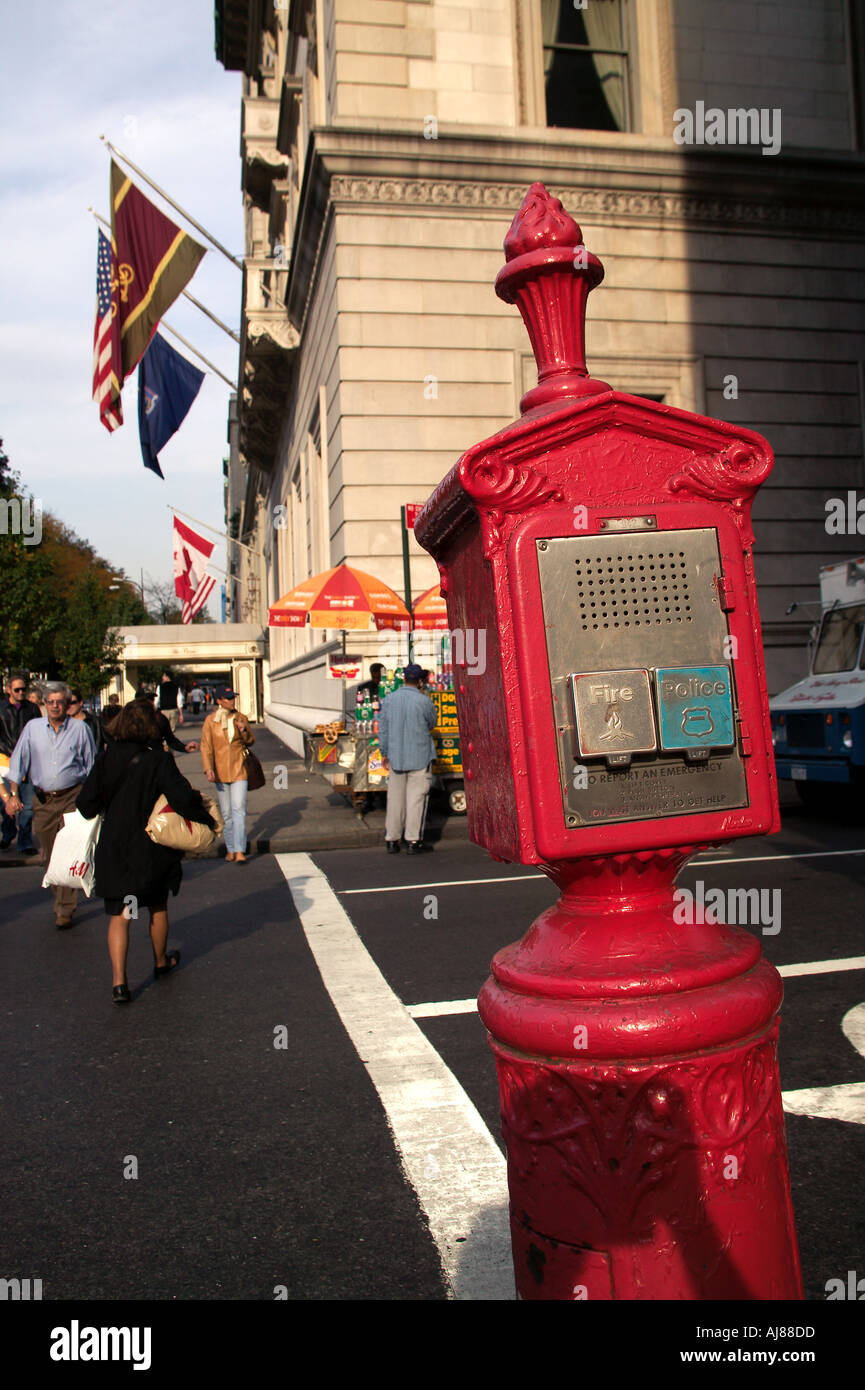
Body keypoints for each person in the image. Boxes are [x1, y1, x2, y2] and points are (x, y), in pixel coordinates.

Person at [77, 699, 217, 1004]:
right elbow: (182, 797)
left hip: (115, 847)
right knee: (157, 905)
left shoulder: (106, 758)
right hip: (151, 846)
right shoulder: (158, 760)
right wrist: (206, 820)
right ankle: (160, 961)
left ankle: (119, 983)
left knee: (121, 914)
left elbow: (85, 805)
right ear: (150, 726)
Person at [5, 684, 96, 926]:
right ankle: (61, 895)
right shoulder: (33, 729)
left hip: (71, 797)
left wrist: (94, 799)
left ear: (67, 705)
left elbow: (91, 766)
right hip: (44, 800)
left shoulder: (80, 729)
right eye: (50, 702)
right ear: (44, 704)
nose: (55, 706)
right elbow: (18, 764)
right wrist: (13, 795)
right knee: (51, 855)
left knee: (68, 853)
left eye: (59, 702)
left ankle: (65, 907)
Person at [378, 662, 436, 854]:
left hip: (395, 755)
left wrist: (384, 752)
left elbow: (383, 729)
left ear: (404, 678)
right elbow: (432, 723)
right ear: (420, 681)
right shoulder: (424, 700)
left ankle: (392, 839)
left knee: (395, 800)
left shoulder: (389, 700)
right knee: (416, 799)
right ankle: (413, 840)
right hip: (419, 754)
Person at [200, 687, 255, 863]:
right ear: (219, 701)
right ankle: (230, 848)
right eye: (228, 698)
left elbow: (251, 741)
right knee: (227, 812)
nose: (232, 701)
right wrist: (208, 768)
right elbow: (206, 746)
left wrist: (243, 729)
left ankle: (239, 849)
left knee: (239, 809)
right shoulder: (211, 721)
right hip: (220, 771)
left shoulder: (241, 717)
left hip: (239, 769)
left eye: (233, 698)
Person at [0, 671, 40, 854]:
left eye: (24, 689)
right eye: (17, 690)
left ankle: (25, 842)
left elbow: (39, 733)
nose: (21, 693)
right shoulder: (1, 709)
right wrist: (12, 750)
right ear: (8, 690)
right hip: (6, 762)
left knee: (28, 806)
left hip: (28, 763)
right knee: (6, 804)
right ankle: (8, 834)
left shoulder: (31, 709)